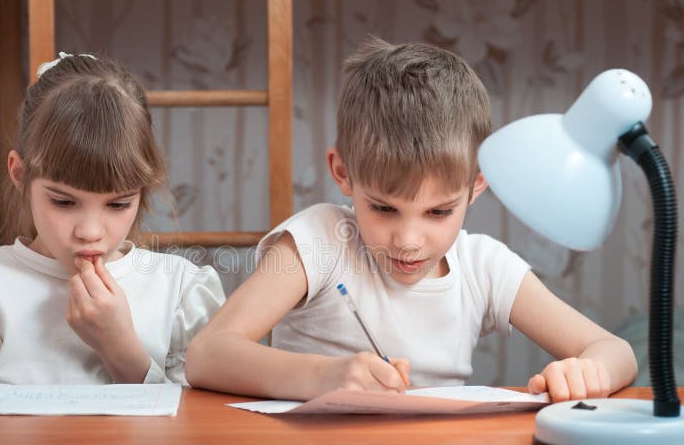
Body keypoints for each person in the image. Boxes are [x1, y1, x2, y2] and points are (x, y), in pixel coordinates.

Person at [185, 37, 637, 401]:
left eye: (438, 212)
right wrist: (324, 377)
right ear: (343, 173)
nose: (408, 240)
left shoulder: (484, 267)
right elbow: (207, 356)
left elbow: (617, 352)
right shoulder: (318, 240)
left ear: (476, 186)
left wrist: (585, 372)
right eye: (383, 208)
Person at [0, 52, 225, 385]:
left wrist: (121, 349)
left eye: (118, 205)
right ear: (20, 175)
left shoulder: (179, 290)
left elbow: (193, 430)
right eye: (63, 201)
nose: (90, 232)